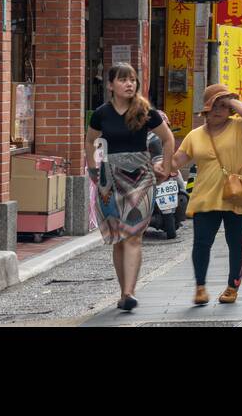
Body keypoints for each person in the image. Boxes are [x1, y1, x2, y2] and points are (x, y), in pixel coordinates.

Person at [84, 63, 176, 312]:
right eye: (123, 80)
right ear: (110, 85)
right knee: (118, 237)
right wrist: (93, 170)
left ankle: (129, 292)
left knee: (134, 235)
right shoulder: (101, 113)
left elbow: (168, 139)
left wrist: (166, 169)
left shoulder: (146, 111)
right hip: (109, 179)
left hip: (141, 177)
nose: (129, 84)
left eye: (133, 80)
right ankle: (123, 290)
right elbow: (90, 140)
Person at [170, 83, 242, 306]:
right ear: (206, 109)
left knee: (235, 243)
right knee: (201, 243)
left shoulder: (240, 127)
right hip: (205, 197)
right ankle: (200, 287)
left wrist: (231, 100)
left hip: (237, 196)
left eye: (224, 105)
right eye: (215, 105)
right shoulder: (194, 135)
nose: (219, 110)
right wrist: (161, 163)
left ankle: (232, 286)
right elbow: (177, 161)